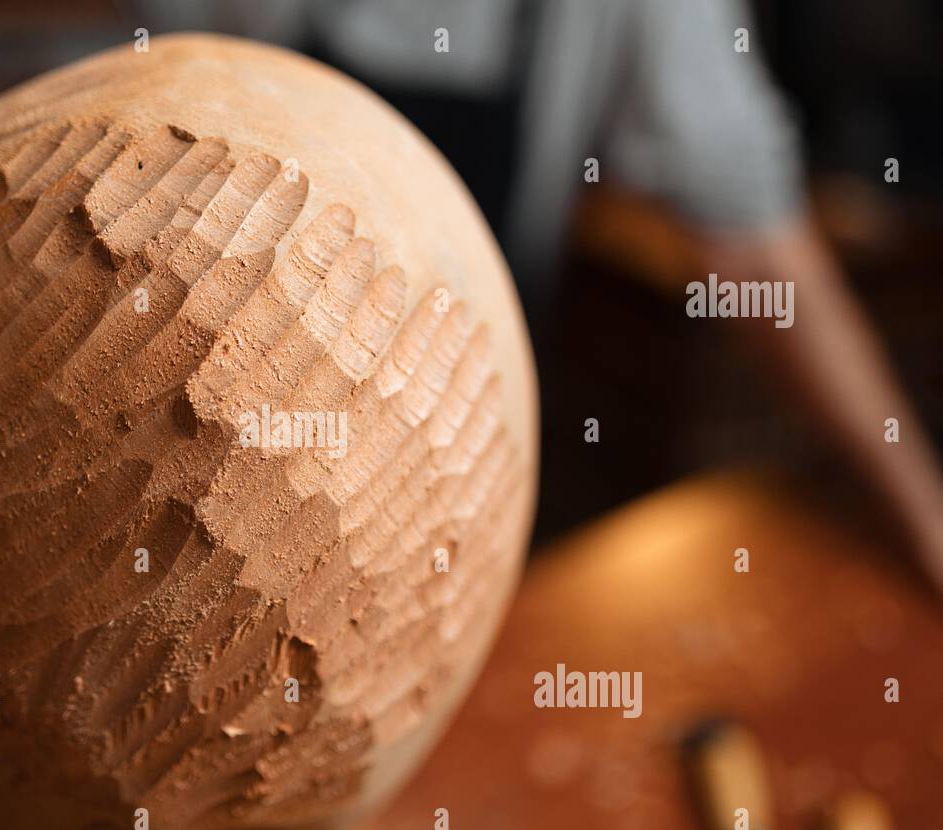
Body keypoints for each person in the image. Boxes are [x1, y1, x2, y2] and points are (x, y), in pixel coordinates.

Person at [141, 0, 943, 594]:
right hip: (222, 433)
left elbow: (759, 244)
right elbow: (157, 100)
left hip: (461, 476)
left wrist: (922, 511)